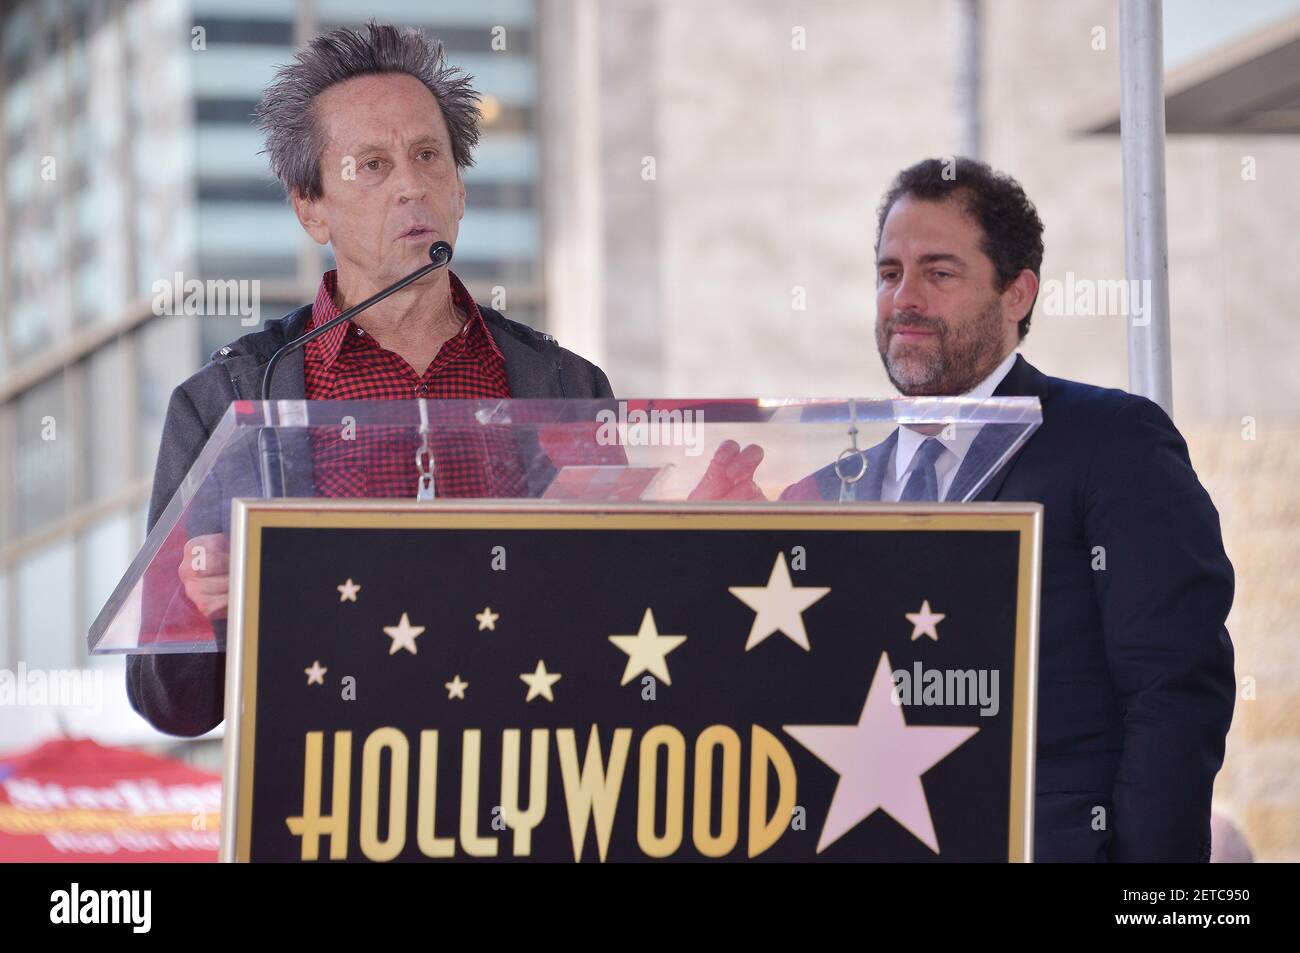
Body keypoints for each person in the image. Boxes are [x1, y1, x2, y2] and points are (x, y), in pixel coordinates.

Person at [702, 157, 1237, 862]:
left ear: (1017, 294)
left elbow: (1174, 689)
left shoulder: (1112, 442)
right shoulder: (834, 487)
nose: (906, 298)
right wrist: (719, 553)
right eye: (889, 273)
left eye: (939, 272)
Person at [127, 22, 612, 737]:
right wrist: (203, 608)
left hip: (526, 795)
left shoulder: (566, 386)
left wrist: (700, 540)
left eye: (427, 156)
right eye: (373, 165)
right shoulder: (231, 401)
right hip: (323, 803)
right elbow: (173, 703)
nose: (411, 185)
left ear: (460, 187)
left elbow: (623, 625)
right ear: (311, 207)